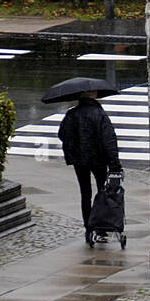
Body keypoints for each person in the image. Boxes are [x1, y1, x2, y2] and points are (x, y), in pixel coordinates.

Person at [57, 90, 121, 241]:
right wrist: (114, 163)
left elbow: (62, 134)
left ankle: (88, 227)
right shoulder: (99, 114)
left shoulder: (72, 114)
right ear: (93, 95)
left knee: (85, 193)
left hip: (79, 160)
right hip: (98, 159)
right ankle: (100, 228)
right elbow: (109, 139)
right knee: (102, 192)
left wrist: (74, 146)